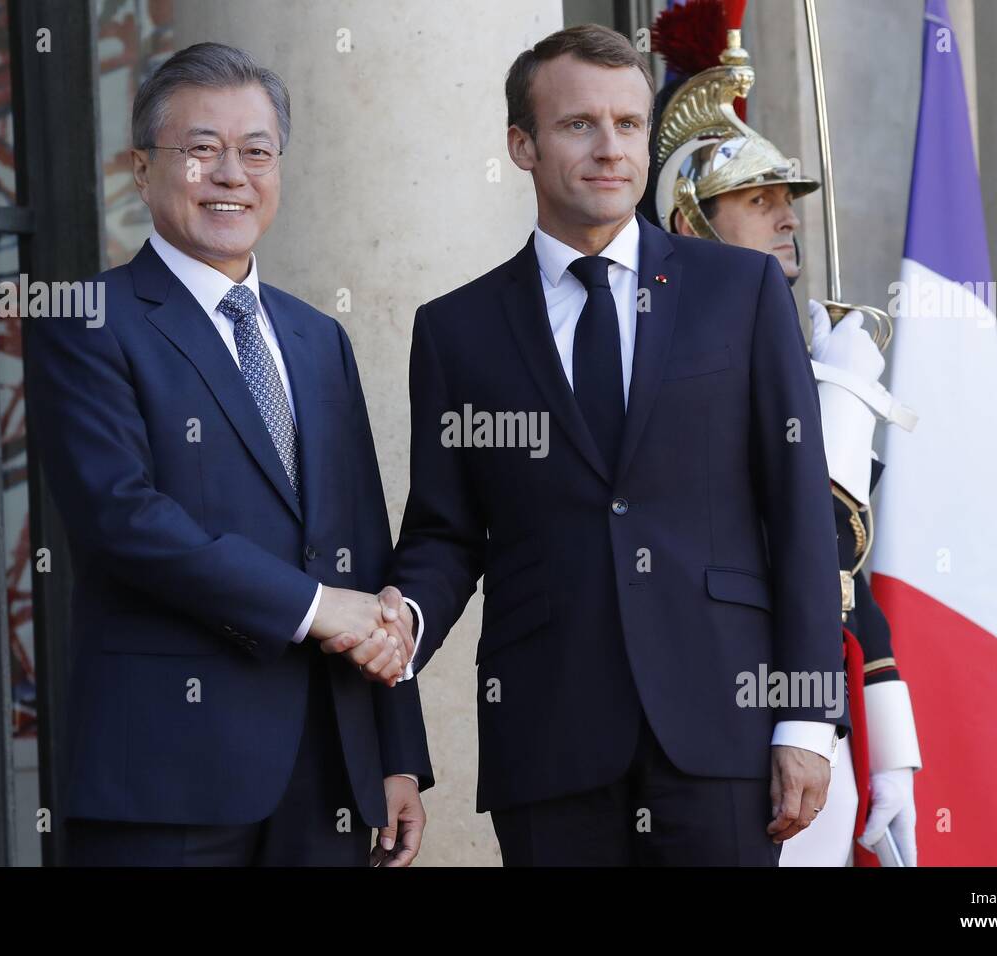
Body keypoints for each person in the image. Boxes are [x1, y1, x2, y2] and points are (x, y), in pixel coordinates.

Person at [338, 23, 842, 866]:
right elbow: (446, 532)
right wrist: (405, 620)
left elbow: (798, 511)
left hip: (725, 727)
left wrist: (806, 719)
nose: (610, 148)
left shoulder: (741, 291)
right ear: (521, 145)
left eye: (629, 124)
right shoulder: (457, 330)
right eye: (579, 125)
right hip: (549, 735)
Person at [26, 42, 430, 866]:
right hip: (167, 774)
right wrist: (316, 607)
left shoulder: (320, 339)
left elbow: (362, 543)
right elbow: (123, 519)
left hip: (328, 771)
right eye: (199, 149)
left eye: (255, 152)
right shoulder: (90, 320)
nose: (229, 174)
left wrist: (396, 754)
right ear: (142, 169)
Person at [641, 0, 923, 865]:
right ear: (691, 220)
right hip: (713, 725)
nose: (788, 217)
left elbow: (842, 578)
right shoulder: (656, 367)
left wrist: (892, 742)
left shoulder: (810, 354)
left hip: (816, 717)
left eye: (786, 199)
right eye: (758, 200)